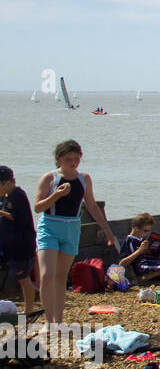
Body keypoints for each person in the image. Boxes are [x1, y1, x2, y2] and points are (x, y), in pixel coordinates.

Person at [34, 140, 117, 329]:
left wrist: (108, 231)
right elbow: (38, 207)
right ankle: (48, 322)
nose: (73, 163)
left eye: (76, 159)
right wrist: (56, 195)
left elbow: (92, 206)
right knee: (47, 275)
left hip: (72, 228)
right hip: (50, 227)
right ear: (59, 159)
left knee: (60, 277)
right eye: (68, 159)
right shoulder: (50, 178)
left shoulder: (84, 178)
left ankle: (59, 320)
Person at [0, 166, 39, 315]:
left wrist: (2, 213)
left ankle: (29, 310)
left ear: (8, 183)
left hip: (22, 247)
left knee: (23, 279)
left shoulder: (18, 195)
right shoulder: (5, 197)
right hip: (7, 246)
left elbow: (20, 218)